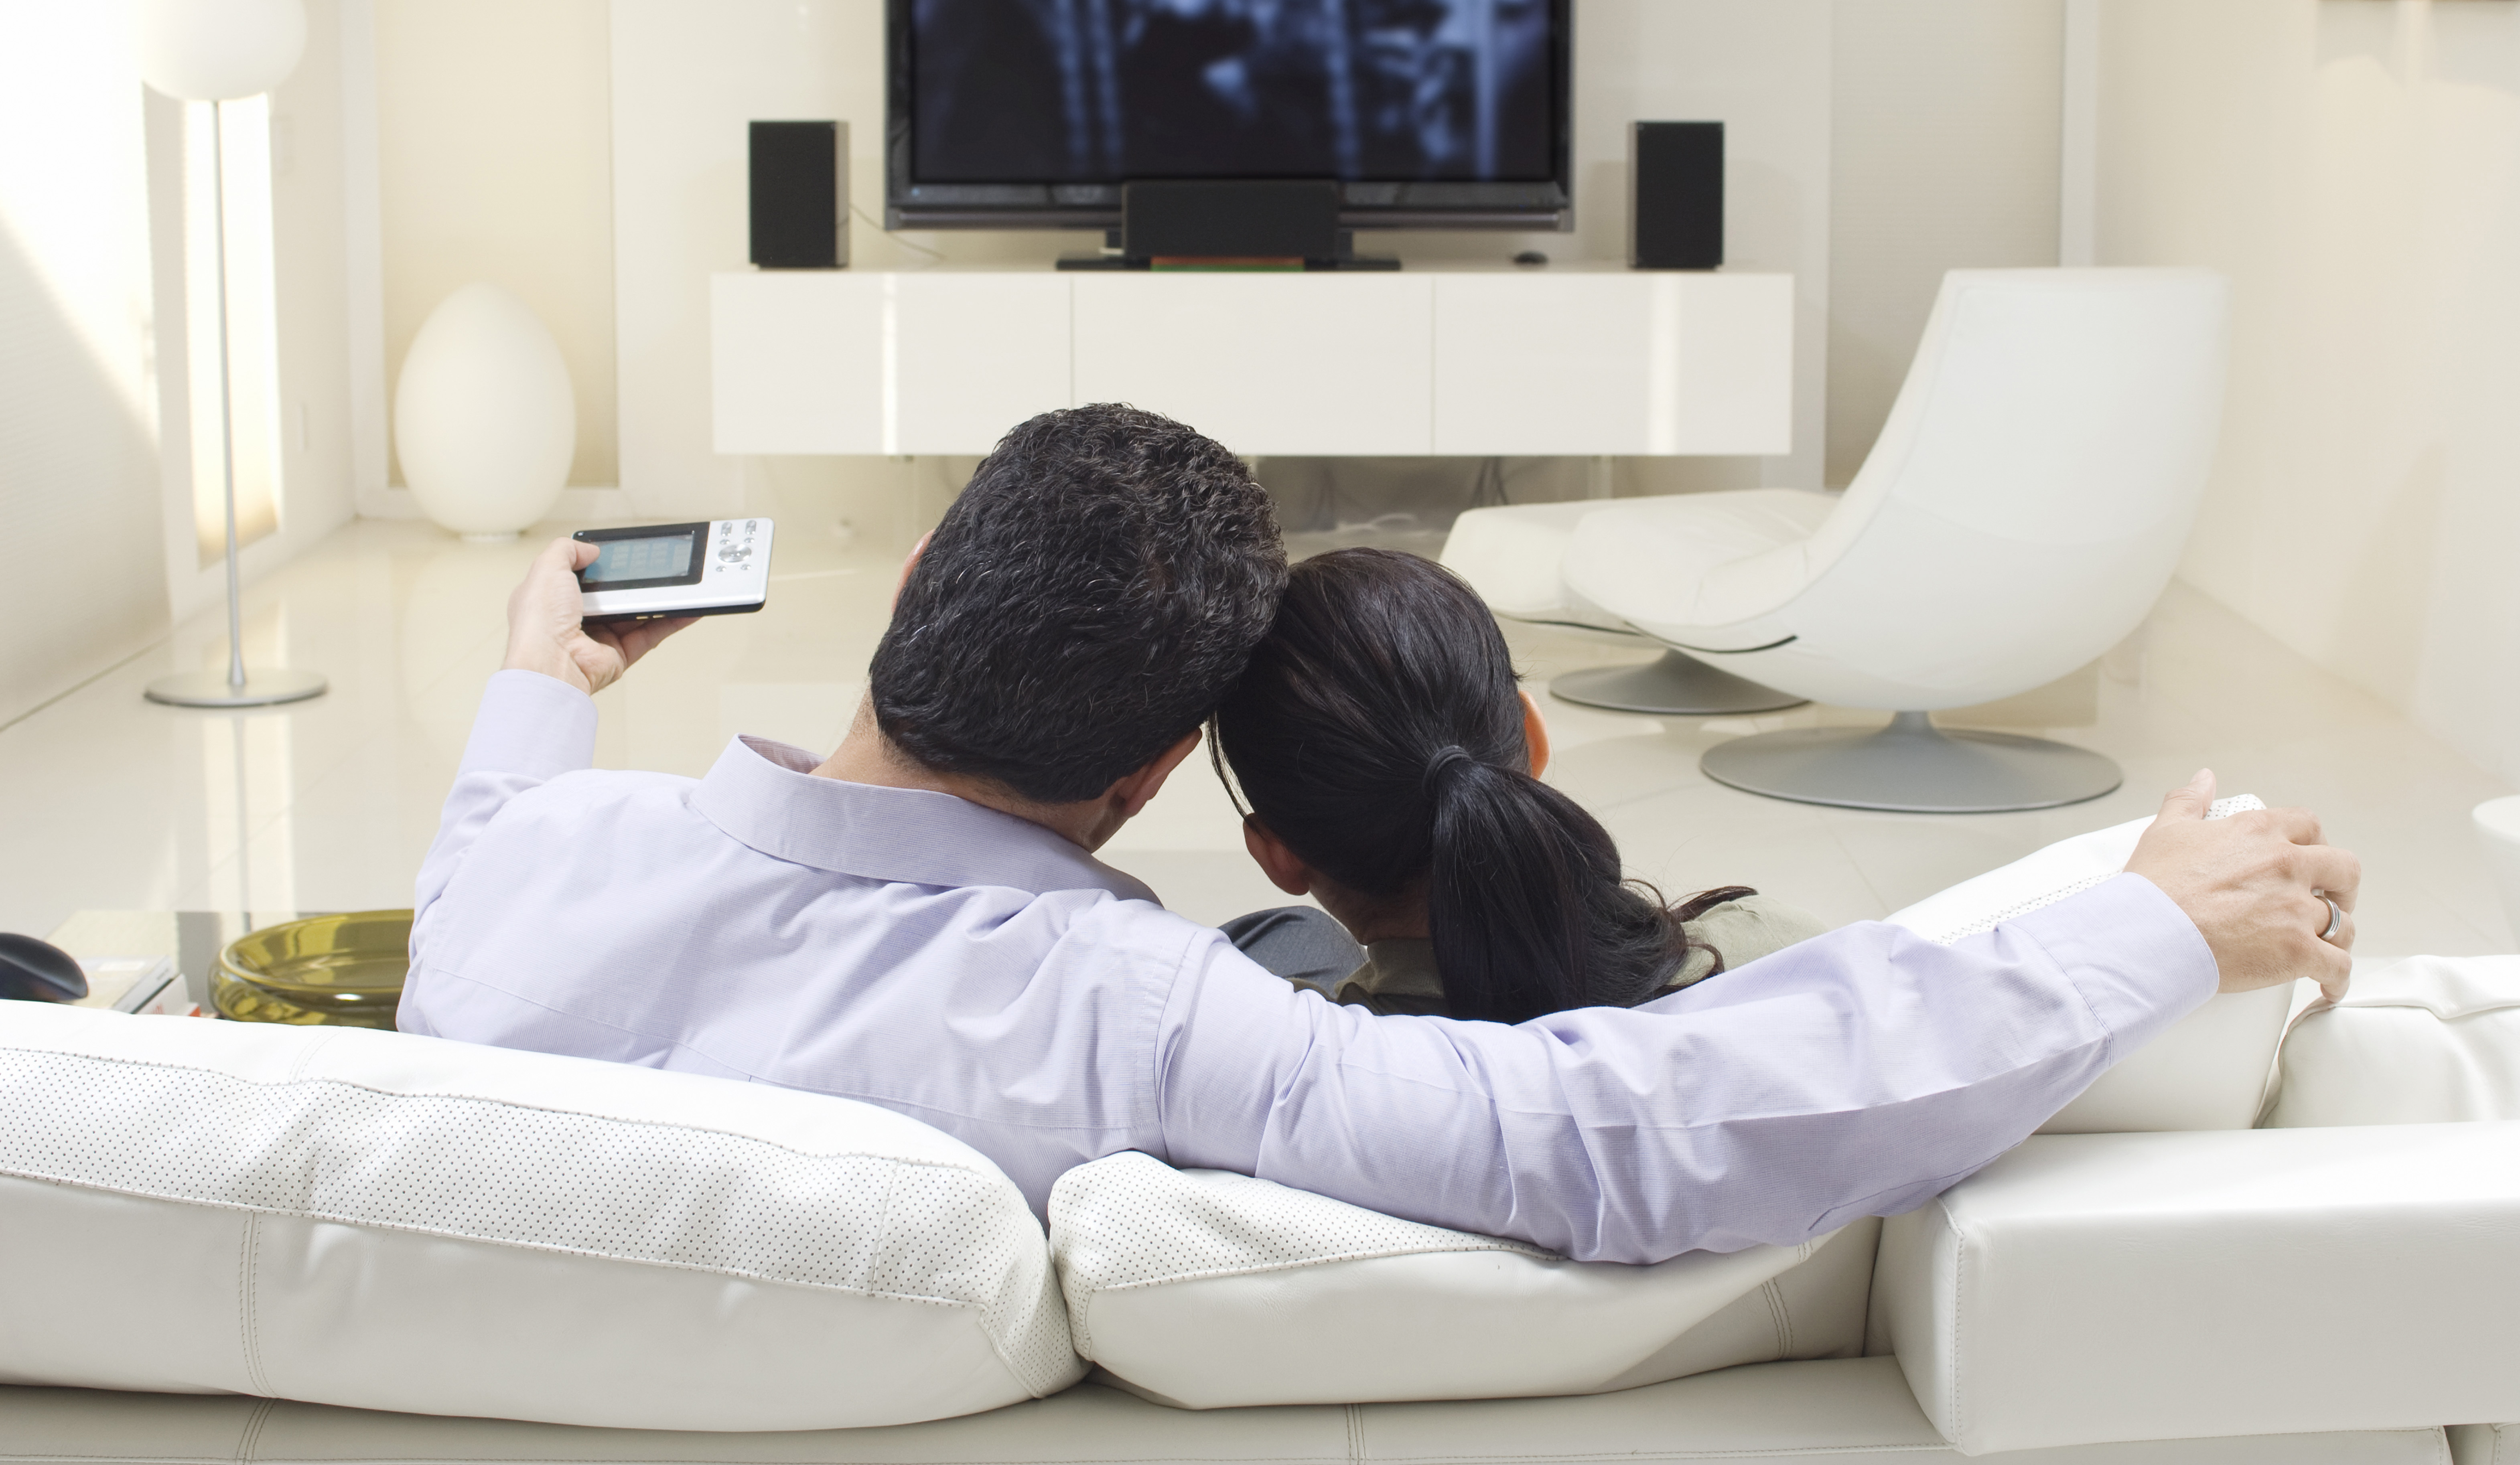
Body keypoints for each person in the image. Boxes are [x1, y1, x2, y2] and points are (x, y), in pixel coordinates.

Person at [401, 404, 2358, 1264]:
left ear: (915, 578)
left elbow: (495, 821)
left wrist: (538, 681)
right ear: (1165, 773)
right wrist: (2148, 928)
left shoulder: (524, 876)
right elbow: (1625, 1125)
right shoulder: (1140, 1016)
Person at [1209, 547, 1823, 1021]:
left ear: (1277, 853)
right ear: (1533, 737)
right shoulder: (1787, 961)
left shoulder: (1293, 1065)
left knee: (1281, 934)